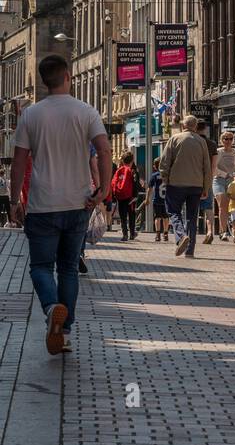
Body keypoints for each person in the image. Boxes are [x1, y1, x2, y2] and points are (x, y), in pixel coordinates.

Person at [8, 53, 112, 355]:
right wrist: (103, 189)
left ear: (43, 81)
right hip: (78, 202)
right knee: (68, 267)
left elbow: (19, 162)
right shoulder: (86, 111)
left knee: (41, 267)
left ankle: (52, 306)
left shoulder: (31, 115)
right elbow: (104, 151)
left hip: (42, 205)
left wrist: (14, 200)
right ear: (67, 76)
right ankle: (64, 332)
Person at [161, 114, 212, 259]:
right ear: (195, 127)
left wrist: (165, 179)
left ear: (183, 125)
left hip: (176, 183)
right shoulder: (201, 142)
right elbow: (207, 167)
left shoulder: (174, 139)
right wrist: (206, 187)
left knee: (173, 212)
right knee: (192, 217)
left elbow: (164, 162)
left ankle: (181, 236)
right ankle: (190, 251)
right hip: (196, 185)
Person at [197, 121, 219, 244]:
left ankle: (190, 231)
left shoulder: (193, 141)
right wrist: (210, 177)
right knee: (208, 208)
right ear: (205, 128)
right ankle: (210, 231)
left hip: (194, 179)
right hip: (207, 179)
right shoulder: (212, 144)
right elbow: (214, 165)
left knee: (193, 206)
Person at [110, 152, 140, 242]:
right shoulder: (133, 171)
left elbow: (113, 183)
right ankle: (131, 234)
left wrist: (115, 195)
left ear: (123, 160)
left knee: (123, 217)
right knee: (131, 215)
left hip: (120, 196)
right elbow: (136, 184)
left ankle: (124, 235)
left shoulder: (119, 170)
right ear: (132, 160)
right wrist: (135, 195)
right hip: (130, 197)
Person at [147, 158, 170, 242]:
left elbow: (149, 188)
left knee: (157, 217)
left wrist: (147, 199)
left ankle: (157, 234)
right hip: (166, 200)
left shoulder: (154, 175)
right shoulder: (166, 175)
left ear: (155, 166)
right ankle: (166, 234)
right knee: (166, 217)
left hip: (157, 199)